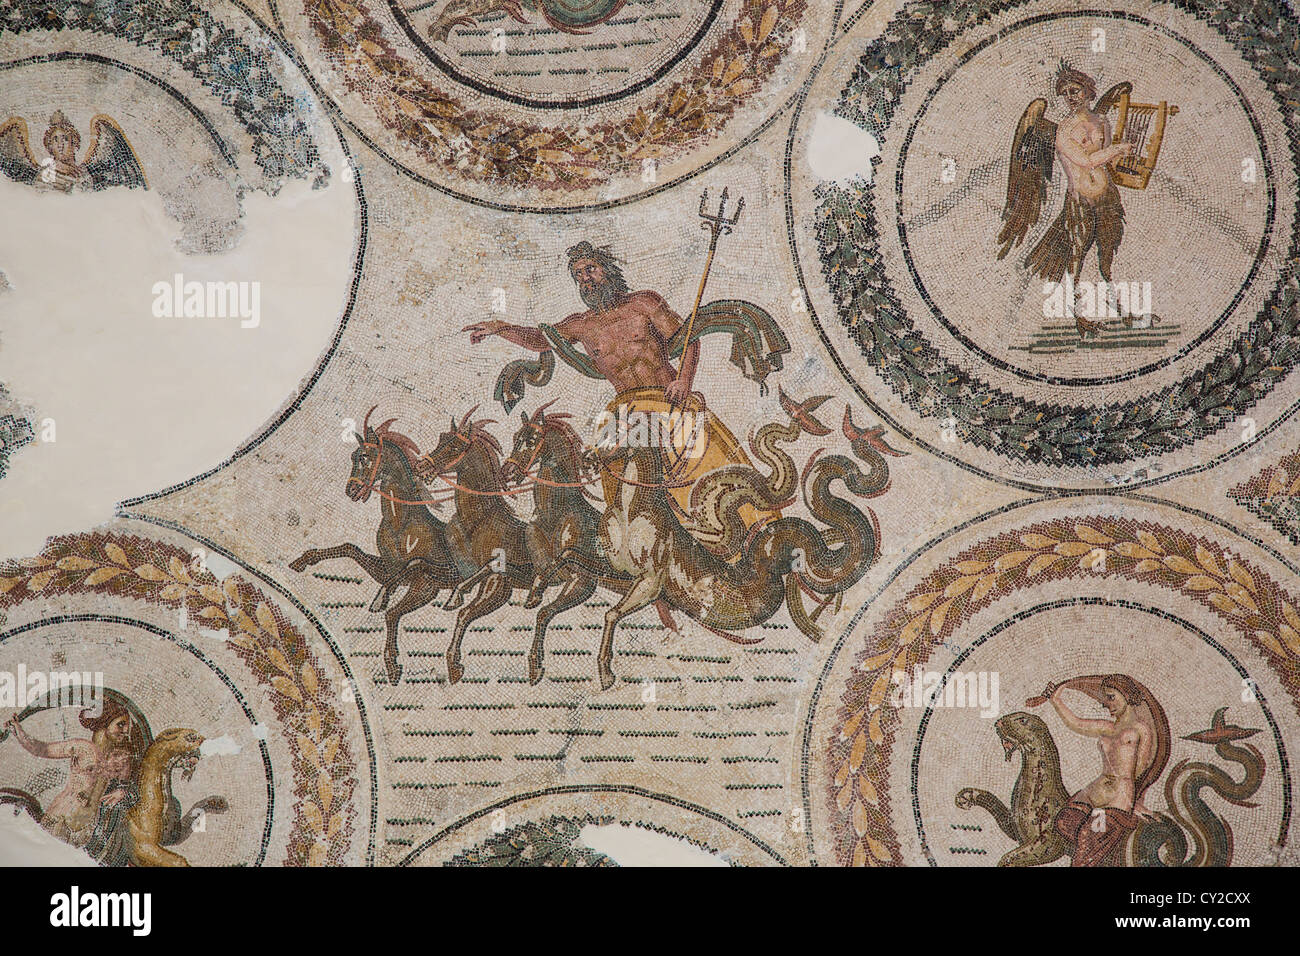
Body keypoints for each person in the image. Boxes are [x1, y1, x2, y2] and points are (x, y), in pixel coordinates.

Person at [1034, 673, 1169, 866]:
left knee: (1090, 833)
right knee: (1064, 820)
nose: (1106, 704)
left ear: (1126, 695)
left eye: (1112, 697)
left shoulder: (1140, 729)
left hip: (1117, 798)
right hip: (1093, 793)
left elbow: (1144, 767)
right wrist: (1056, 700)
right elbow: (1077, 723)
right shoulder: (1107, 727)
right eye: (1105, 699)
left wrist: (1137, 801)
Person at [5, 698, 137, 848]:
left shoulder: (120, 758)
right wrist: (19, 731)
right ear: (105, 721)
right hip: (60, 818)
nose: (126, 730)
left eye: (127, 726)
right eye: (121, 724)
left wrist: (122, 792)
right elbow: (41, 748)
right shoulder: (82, 748)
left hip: (85, 830)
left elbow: (128, 785)